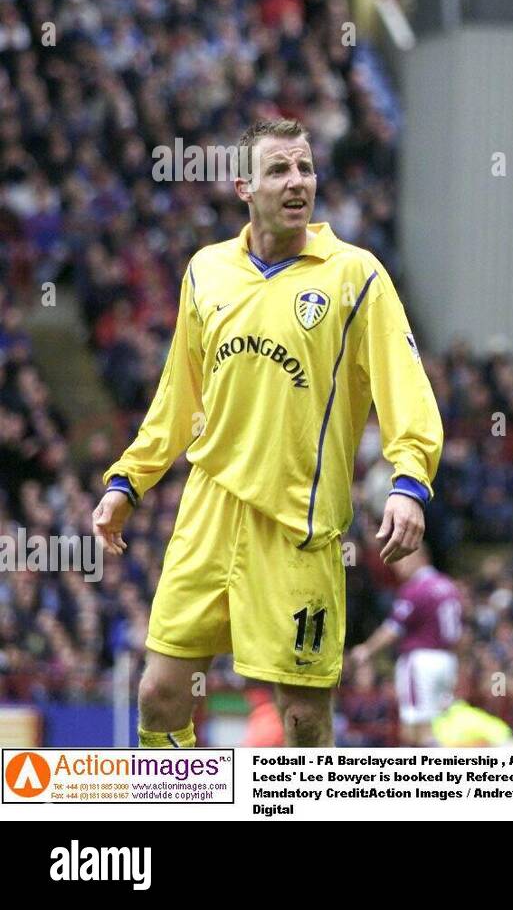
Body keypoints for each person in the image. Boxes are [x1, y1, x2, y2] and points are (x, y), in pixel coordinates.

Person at [90, 117, 443, 748]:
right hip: (210, 509)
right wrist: (128, 479)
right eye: (278, 169)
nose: (296, 181)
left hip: (297, 527)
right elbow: (179, 396)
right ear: (243, 186)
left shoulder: (354, 276)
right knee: (159, 694)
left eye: (305, 168)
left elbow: (405, 386)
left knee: (304, 718)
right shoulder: (206, 272)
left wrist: (409, 479)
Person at [349, 544, 462, 745]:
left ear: (416, 556)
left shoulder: (416, 589)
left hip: (421, 661)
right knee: (439, 723)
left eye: (400, 559)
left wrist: (366, 649)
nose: (396, 567)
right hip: (447, 660)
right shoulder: (448, 586)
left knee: (415, 728)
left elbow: (393, 628)